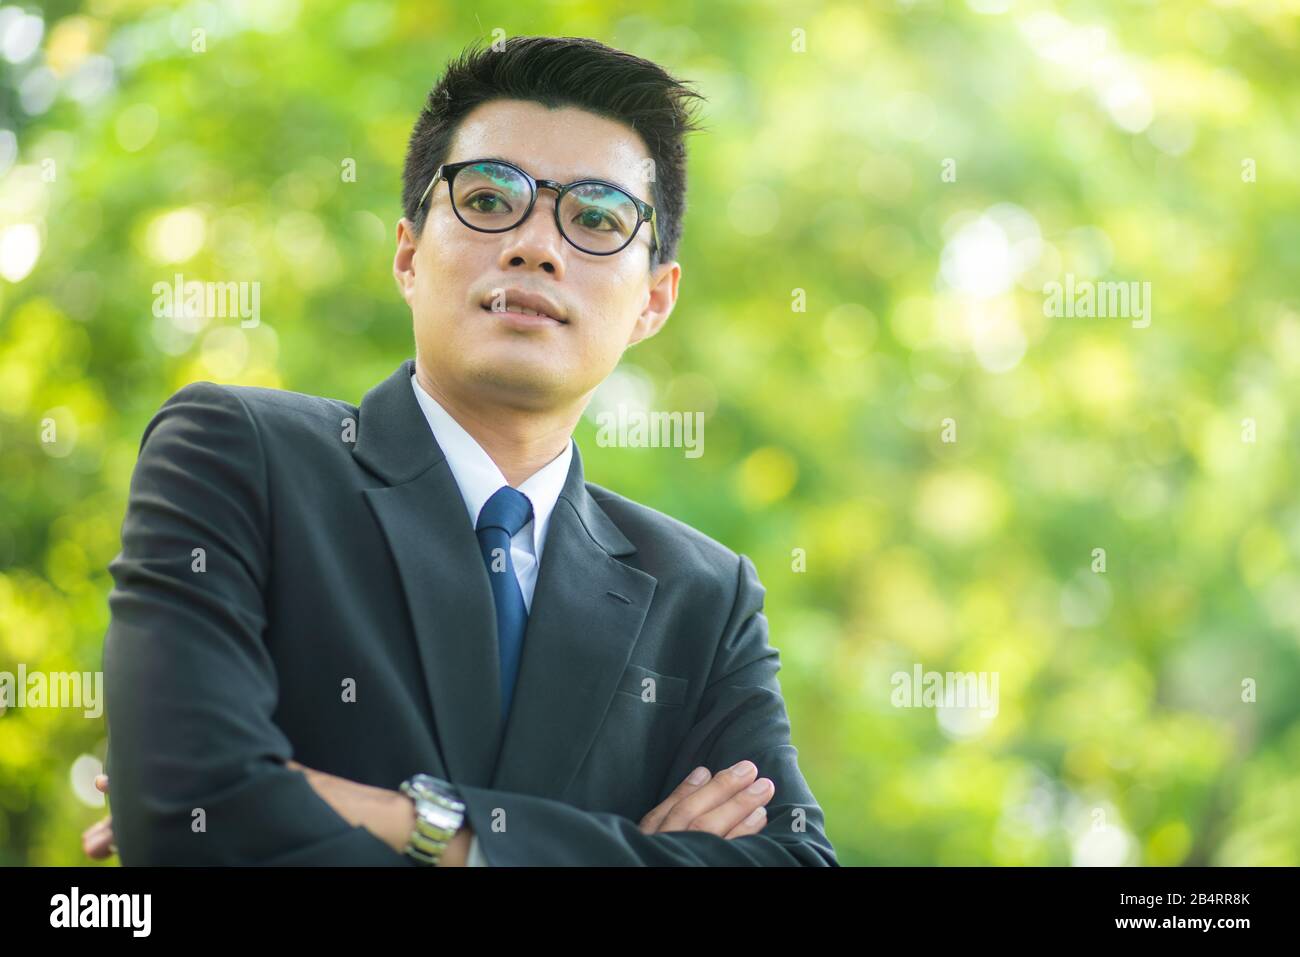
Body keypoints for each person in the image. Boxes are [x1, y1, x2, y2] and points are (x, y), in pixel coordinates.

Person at [95, 35, 837, 866]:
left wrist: (399, 821)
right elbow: (186, 802)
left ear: (653, 301)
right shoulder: (241, 453)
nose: (536, 246)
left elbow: (797, 859)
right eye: (489, 201)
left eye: (595, 217)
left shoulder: (703, 597)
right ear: (409, 254)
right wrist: (623, 849)